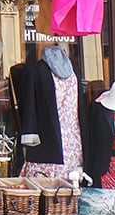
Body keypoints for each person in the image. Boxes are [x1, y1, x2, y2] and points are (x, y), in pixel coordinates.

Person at [10, 45, 87, 182]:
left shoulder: (35, 70)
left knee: (45, 184)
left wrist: (28, 134)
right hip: (70, 140)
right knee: (66, 184)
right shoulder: (73, 72)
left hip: (51, 139)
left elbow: (28, 104)